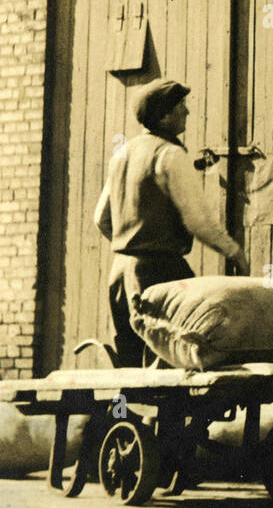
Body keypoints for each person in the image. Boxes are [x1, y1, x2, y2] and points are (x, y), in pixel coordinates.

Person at [94, 77, 248, 366]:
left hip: (120, 273)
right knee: (179, 356)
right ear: (164, 116)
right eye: (181, 107)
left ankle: (133, 412)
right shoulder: (170, 155)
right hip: (159, 271)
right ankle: (167, 413)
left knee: (130, 363)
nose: (187, 112)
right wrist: (233, 251)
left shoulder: (123, 153)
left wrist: (131, 243)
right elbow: (197, 220)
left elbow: (101, 218)